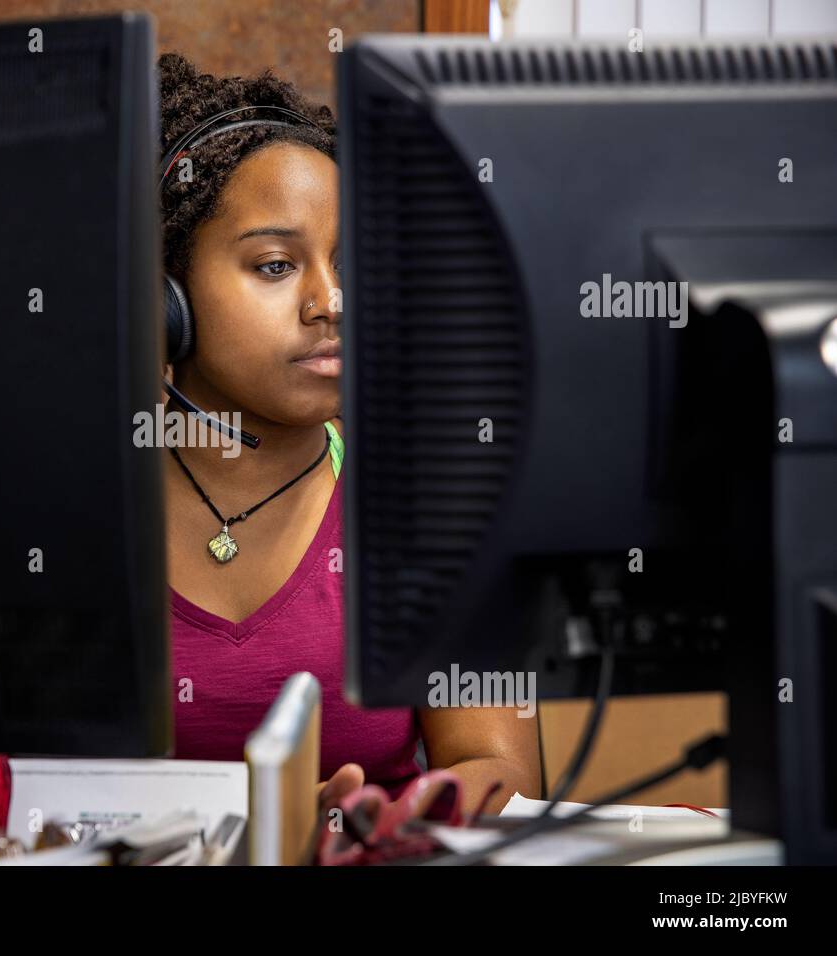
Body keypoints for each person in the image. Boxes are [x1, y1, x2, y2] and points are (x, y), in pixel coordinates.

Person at [159, 52, 541, 818]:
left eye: (348, 265)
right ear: (170, 295)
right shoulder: (68, 504)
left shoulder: (430, 501)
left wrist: (396, 819)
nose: (328, 301)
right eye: (274, 265)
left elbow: (504, 770)